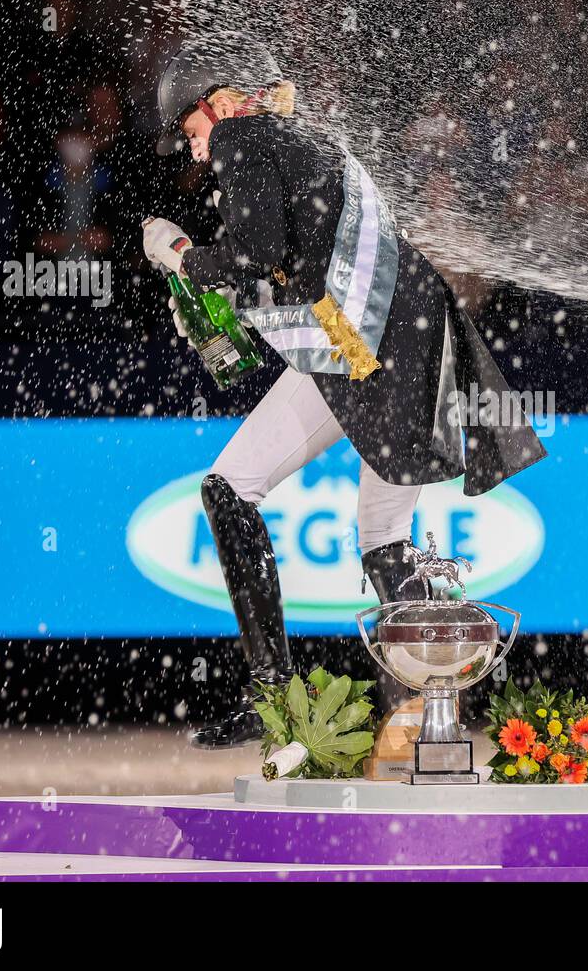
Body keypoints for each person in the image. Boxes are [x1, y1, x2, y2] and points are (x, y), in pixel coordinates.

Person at [142, 39, 547, 749]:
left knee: (232, 490)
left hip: (371, 349)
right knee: (381, 542)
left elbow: (252, 252)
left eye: (191, 132)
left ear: (217, 105)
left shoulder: (243, 133)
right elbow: (284, 269)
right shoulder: (285, 131)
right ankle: (433, 718)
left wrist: (178, 256)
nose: (195, 151)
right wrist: (215, 299)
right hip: (384, 339)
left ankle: (287, 698)